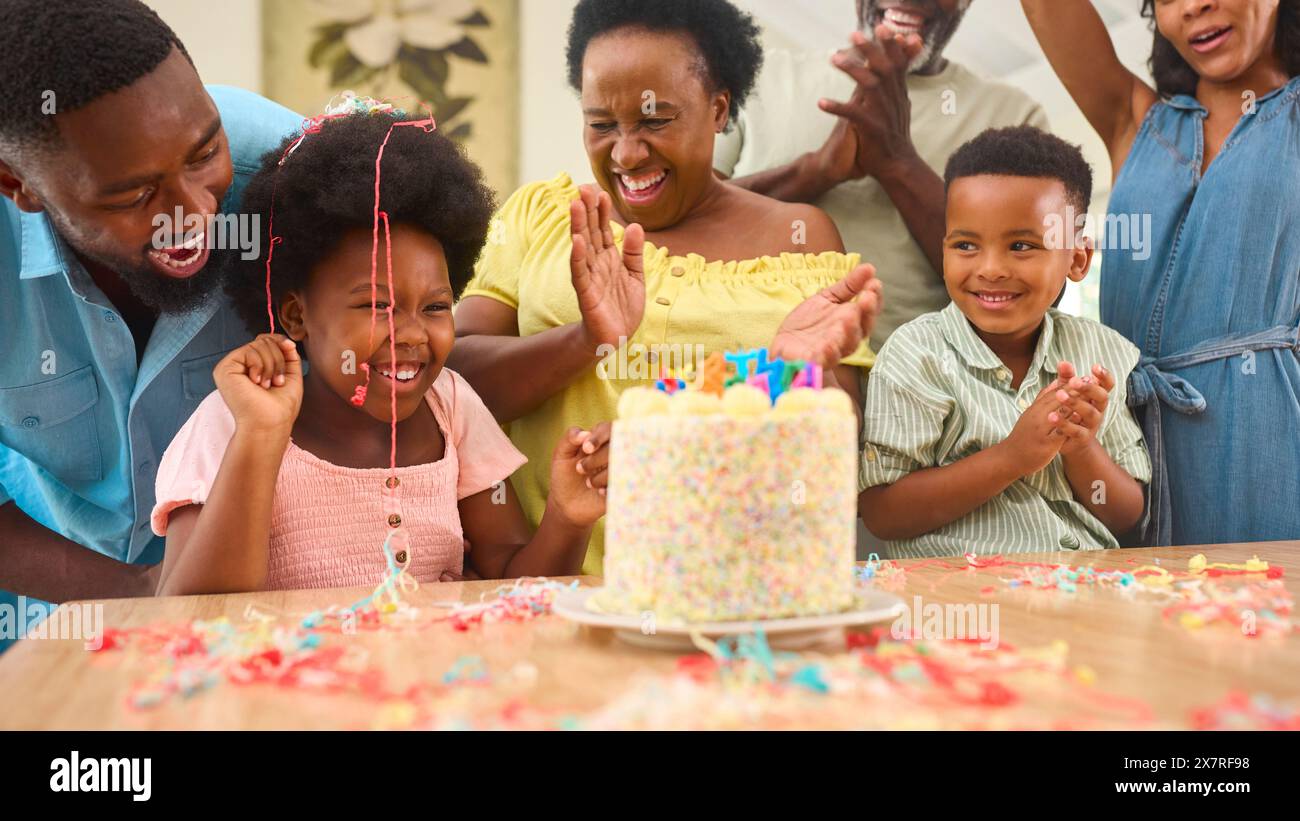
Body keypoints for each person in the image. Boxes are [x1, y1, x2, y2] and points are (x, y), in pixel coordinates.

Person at [449, 0, 884, 575]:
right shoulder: (542, 215)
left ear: (719, 110)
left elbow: (835, 433)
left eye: (655, 121)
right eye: (601, 123)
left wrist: (767, 380)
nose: (626, 153)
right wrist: (586, 340)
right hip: (546, 586)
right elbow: (454, 385)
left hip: (735, 595)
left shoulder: (799, 237)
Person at [152, 107, 611, 595]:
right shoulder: (231, 421)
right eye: (376, 304)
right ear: (295, 316)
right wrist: (260, 435)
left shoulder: (452, 409)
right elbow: (190, 611)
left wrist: (567, 517)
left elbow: (511, 585)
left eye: (435, 306)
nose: (412, 333)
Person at [0, 0, 300, 648]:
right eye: (134, 195)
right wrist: (140, 593)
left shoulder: (296, 176)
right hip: (44, 616)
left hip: (268, 615)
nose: (192, 213)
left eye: (205, 153)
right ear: (16, 184)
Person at [1022, 0, 1300, 545]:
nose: (1195, 6)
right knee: (1148, 618)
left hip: (1268, 431)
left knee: (1266, 620)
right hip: (1126, 438)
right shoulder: (1135, 120)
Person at [859, 127, 1150, 558]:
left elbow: (1127, 516)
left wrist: (1081, 446)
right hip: (956, 598)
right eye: (966, 245)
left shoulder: (1098, 356)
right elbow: (883, 513)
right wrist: (1014, 456)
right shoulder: (916, 354)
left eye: (1020, 245)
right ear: (944, 251)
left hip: (1083, 588)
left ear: (1077, 258)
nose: (991, 268)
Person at [717, 0, 1049, 348]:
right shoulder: (754, 77)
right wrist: (815, 170)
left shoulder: (1015, 116)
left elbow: (1031, 298)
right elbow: (674, 235)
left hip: (923, 394)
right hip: (741, 383)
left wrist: (898, 162)